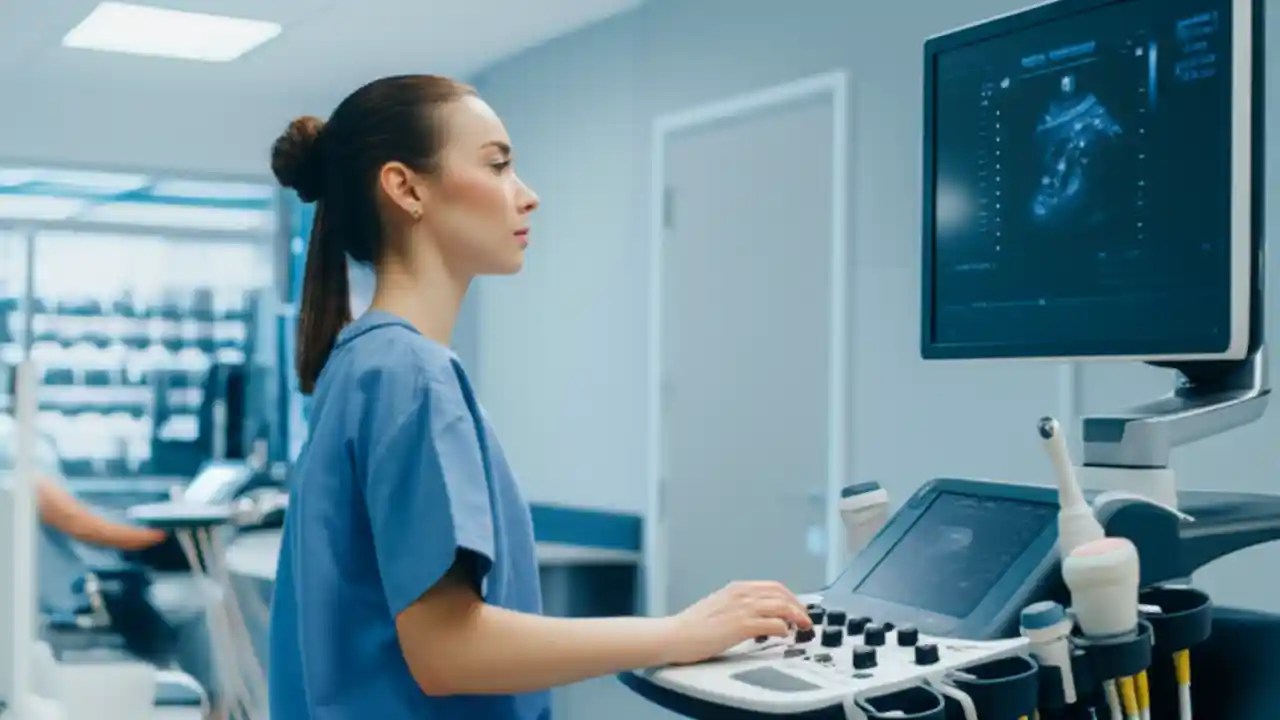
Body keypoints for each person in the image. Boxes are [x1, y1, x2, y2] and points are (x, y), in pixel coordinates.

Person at [266, 74, 813, 719]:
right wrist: (683, 631)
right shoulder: (410, 374)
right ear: (406, 188)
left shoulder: (360, 365)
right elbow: (448, 650)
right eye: (497, 166)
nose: (527, 197)